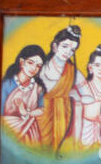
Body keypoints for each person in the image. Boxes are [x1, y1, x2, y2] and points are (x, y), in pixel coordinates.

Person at [35, 24, 82, 154]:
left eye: (72, 50)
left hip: (63, 115)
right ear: (55, 46)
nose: (68, 52)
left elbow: (87, 92)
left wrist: (77, 96)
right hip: (41, 114)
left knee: (59, 149)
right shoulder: (41, 66)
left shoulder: (72, 70)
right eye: (65, 46)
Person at [0, 44, 46, 145]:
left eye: (38, 66)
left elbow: (42, 109)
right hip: (9, 134)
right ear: (22, 62)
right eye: (30, 62)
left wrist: (26, 113)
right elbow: (0, 116)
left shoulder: (38, 87)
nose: (34, 68)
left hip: (31, 133)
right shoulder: (6, 85)